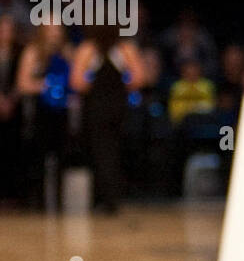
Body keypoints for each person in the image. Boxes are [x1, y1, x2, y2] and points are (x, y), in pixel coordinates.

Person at [70, 25, 146, 214]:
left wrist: (96, 87)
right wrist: (119, 87)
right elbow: (139, 79)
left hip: (96, 108)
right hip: (117, 107)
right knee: (113, 151)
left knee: (98, 152)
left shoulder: (87, 49)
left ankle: (103, 200)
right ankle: (112, 198)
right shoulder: (126, 49)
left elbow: (77, 82)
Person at [17, 20, 72, 210]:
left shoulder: (67, 52)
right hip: (40, 112)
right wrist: (44, 86)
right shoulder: (33, 51)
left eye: (57, 27)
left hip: (62, 111)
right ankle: (37, 202)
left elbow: (75, 80)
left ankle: (59, 203)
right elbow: (22, 83)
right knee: (38, 158)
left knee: (61, 157)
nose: (54, 32)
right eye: (50, 27)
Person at [0, 14, 22, 203]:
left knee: (13, 151)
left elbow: (20, 80)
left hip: (15, 109)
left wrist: (10, 100)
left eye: (8, 30)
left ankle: (13, 194)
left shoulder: (20, 53)